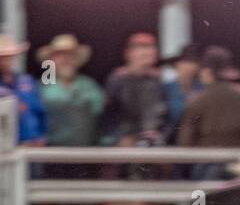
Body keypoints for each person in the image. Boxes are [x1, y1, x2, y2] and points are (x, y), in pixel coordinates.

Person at [176, 47, 240, 178]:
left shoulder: (198, 100)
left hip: (206, 162)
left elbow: (185, 139)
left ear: (207, 72)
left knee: (205, 197)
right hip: (237, 161)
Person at [36, 35, 104, 174]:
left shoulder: (90, 86)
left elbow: (103, 116)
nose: (65, 59)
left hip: (87, 159)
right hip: (51, 159)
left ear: (76, 60)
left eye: (70, 55)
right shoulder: (41, 88)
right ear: (52, 61)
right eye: (60, 55)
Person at [101, 32, 169, 147]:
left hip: (151, 139)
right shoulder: (117, 79)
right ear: (129, 53)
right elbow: (108, 116)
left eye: (152, 48)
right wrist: (119, 137)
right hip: (122, 139)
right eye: (143, 48)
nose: (149, 52)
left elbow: (162, 115)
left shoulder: (157, 80)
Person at [0, 34, 46, 146]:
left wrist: (41, 135)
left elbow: (40, 110)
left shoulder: (27, 81)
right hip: (5, 144)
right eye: (1, 58)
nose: (5, 61)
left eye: (8, 57)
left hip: (31, 140)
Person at [161, 42, 204, 131]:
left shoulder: (203, 89)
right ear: (177, 64)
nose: (190, 67)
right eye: (186, 62)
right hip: (172, 140)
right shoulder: (165, 89)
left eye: (194, 63)